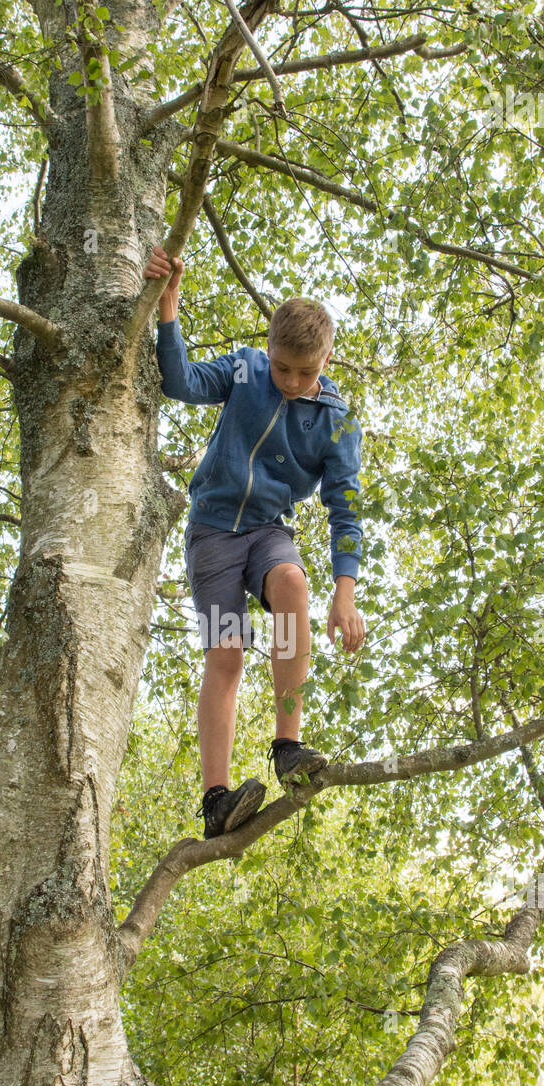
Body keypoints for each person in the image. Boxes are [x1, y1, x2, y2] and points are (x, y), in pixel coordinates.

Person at [145, 244, 365, 839]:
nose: (293, 383)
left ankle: (287, 745)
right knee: (228, 653)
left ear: (326, 359)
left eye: (307, 371)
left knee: (294, 585)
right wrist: (169, 308)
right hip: (213, 534)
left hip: (269, 533)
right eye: (283, 368)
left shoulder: (338, 420)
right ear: (267, 351)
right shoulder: (244, 371)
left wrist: (345, 592)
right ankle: (216, 797)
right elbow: (181, 382)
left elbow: (346, 505)